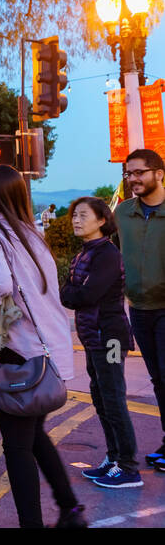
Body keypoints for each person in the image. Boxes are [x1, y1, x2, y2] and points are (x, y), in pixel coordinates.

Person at [0, 164, 81, 528]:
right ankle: (70, 509)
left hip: (20, 352)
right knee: (34, 435)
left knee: (17, 447)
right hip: (49, 351)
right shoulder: (30, 233)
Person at [62, 196, 139, 487]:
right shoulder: (84, 253)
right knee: (101, 399)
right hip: (93, 338)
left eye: (83, 215)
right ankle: (114, 457)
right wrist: (72, 293)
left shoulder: (106, 254)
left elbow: (84, 295)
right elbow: (68, 293)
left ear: (102, 220)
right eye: (74, 215)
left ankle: (129, 467)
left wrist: (72, 293)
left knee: (113, 400)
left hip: (110, 339)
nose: (76, 220)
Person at [113, 148, 165, 473]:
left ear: (159, 173)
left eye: (139, 172)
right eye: (128, 173)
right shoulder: (122, 214)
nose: (133, 179)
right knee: (158, 379)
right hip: (140, 309)